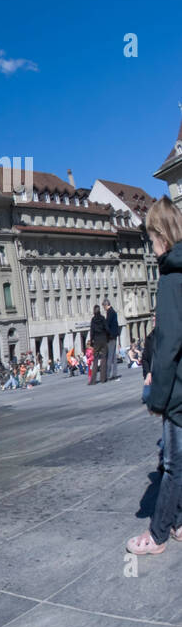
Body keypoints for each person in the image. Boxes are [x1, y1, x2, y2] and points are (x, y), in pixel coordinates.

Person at [131, 199, 182, 554]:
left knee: (173, 465)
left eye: (151, 237)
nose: (151, 246)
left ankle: (158, 534)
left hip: (178, 391)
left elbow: (167, 345)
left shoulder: (170, 279)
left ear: (162, 235)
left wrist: (159, 397)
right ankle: (179, 523)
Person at [89, 305, 108, 385]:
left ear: (94, 311)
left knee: (95, 360)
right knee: (104, 359)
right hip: (103, 339)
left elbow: (92, 331)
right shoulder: (103, 318)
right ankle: (103, 378)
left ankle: (93, 380)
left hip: (96, 340)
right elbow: (106, 328)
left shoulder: (93, 320)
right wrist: (107, 336)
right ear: (99, 311)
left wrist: (92, 341)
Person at [104, 299, 121, 381]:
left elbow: (107, 323)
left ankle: (107, 374)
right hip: (114, 336)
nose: (104, 308)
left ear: (106, 305)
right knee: (113, 356)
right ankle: (114, 373)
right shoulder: (113, 311)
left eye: (104, 306)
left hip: (111, 336)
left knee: (110, 356)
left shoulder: (110, 312)